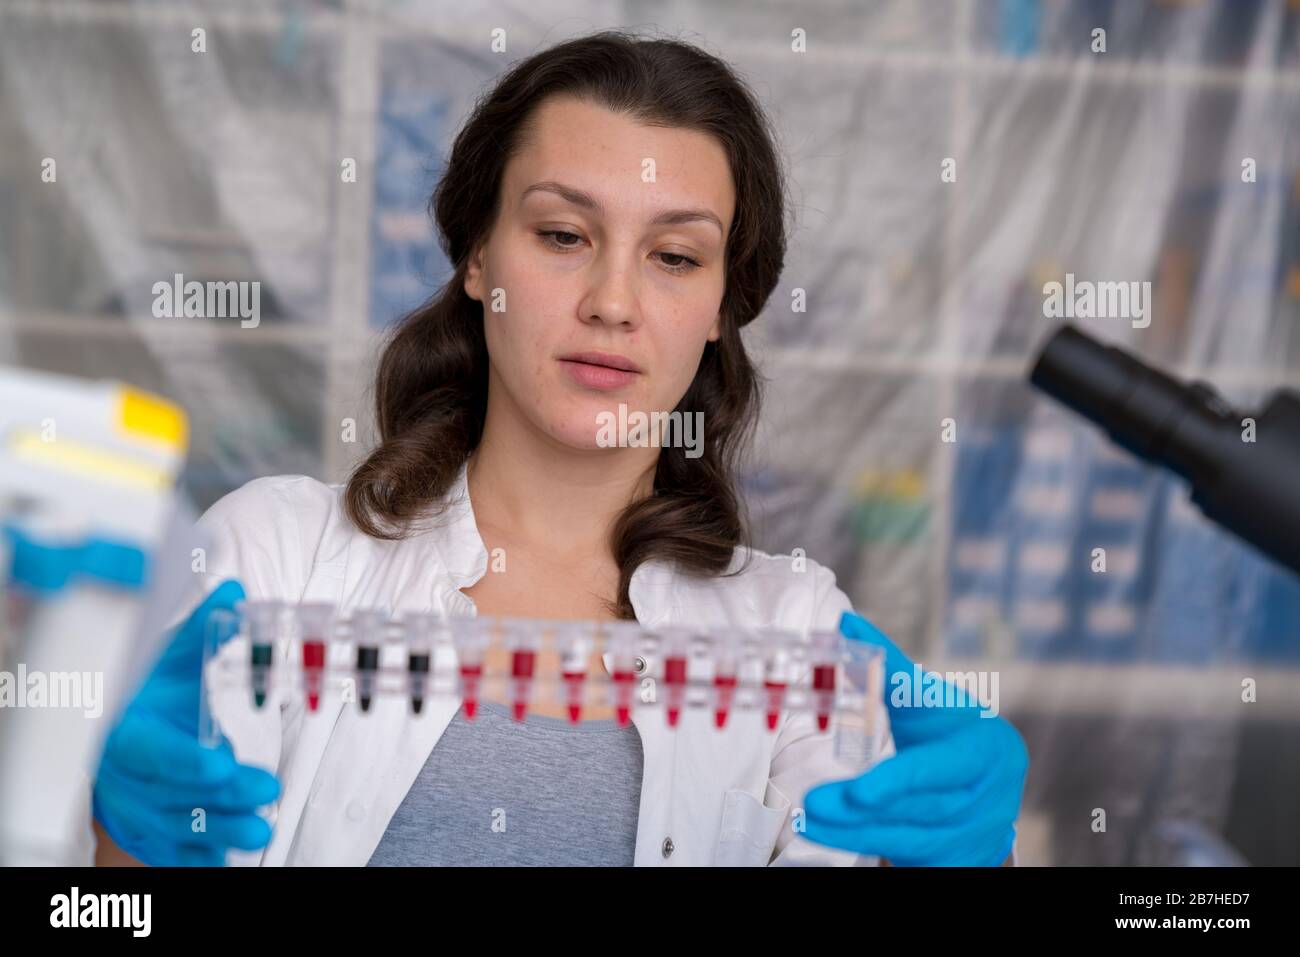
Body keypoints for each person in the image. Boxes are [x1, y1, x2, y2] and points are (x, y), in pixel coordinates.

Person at [92, 30, 1027, 867]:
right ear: (478, 257)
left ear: (720, 308)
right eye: (563, 235)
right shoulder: (274, 560)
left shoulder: (795, 643)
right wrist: (120, 846)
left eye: (674, 256)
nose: (611, 303)